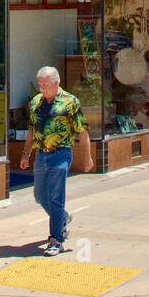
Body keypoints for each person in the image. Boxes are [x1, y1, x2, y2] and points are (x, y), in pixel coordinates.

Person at [18, 67, 93, 255]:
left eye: (45, 85)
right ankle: (63, 218)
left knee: (55, 198)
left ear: (56, 82)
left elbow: (82, 132)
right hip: (41, 155)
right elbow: (31, 130)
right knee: (39, 196)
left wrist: (87, 157)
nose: (42, 88)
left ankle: (56, 240)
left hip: (61, 154)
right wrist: (26, 153)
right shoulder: (36, 102)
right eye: (40, 85)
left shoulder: (70, 102)